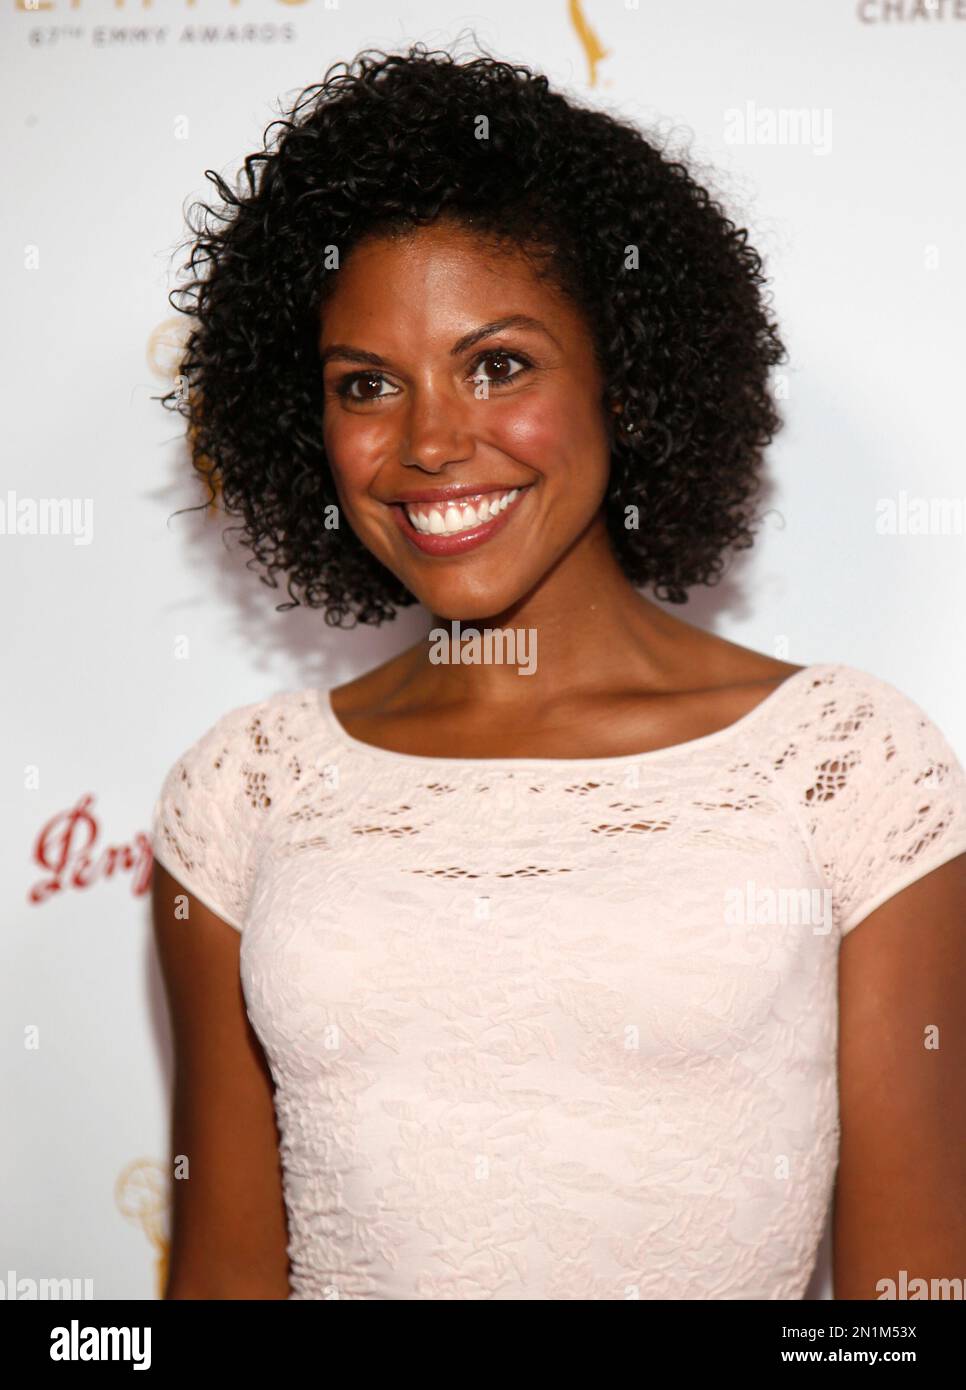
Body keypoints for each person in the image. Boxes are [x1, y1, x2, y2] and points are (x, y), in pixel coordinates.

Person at [151, 42, 966, 1300]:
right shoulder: (239, 795)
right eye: (366, 385)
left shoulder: (845, 765)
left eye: (499, 365)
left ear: (626, 381)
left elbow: (909, 1304)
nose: (430, 442)